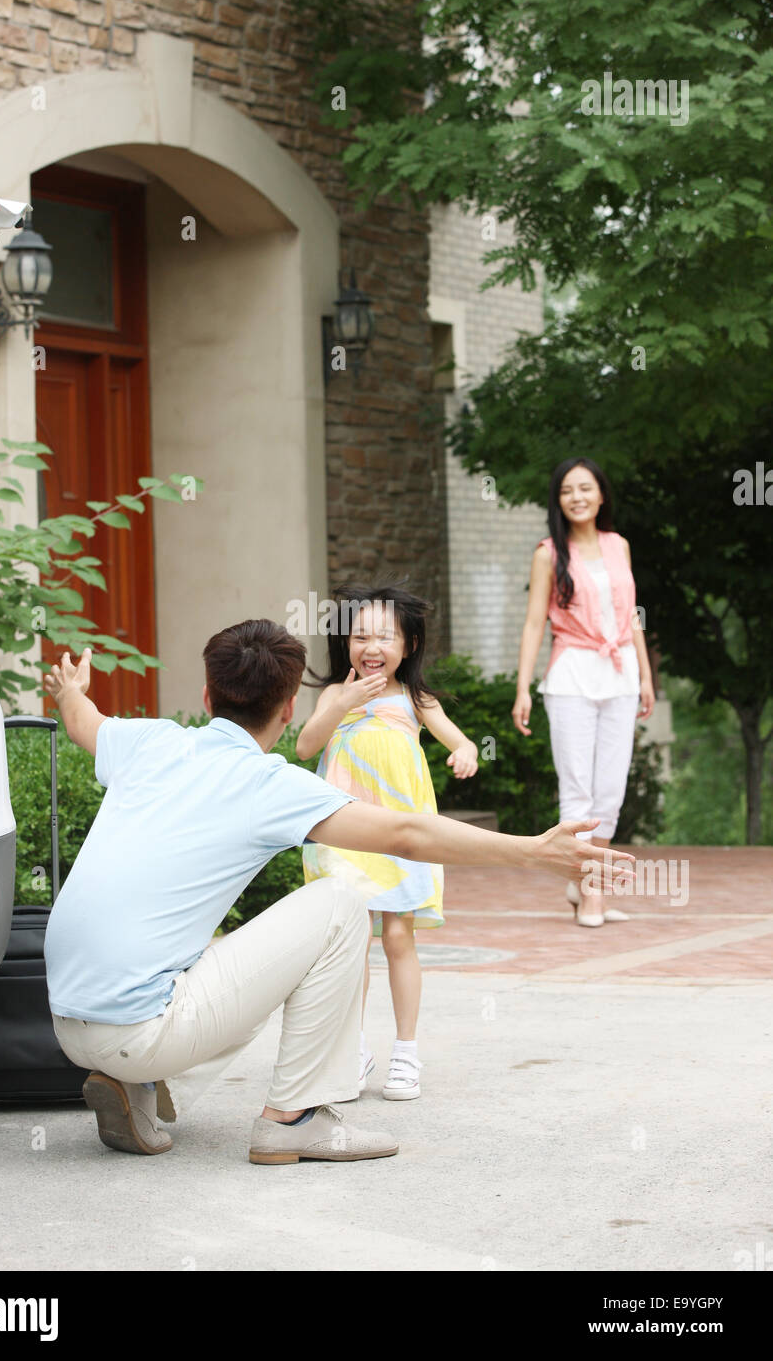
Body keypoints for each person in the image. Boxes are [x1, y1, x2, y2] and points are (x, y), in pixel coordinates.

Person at [44, 618, 633, 1165]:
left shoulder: (151, 742)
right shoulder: (268, 784)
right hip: (141, 1030)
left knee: (223, 957)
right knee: (344, 899)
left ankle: (135, 1085)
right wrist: (533, 851)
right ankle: (293, 1118)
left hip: (66, 1022)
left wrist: (71, 686)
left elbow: (81, 720)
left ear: (207, 696)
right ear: (286, 710)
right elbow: (404, 831)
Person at [297, 584, 478, 1102]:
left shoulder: (415, 698)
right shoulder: (335, 694)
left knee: (399, 938)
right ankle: (352, 1050)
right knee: (352, 945)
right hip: (344, 832)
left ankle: (405, 1052)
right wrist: (344, 702)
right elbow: (306, 745)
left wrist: (466, 753)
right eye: (359, 637)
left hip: (401, 834)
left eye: (384, 637)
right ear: (344, 643)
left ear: (410, 644)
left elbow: (458, 738)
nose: (371, 647)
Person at [511, 458, 654, 927]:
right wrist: (523, 687)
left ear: (601, 495)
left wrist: (647, 676)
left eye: (585, 488)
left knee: (610, 789)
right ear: (558, 500)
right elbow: (535, 622)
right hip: (571, 674)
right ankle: (591, 893)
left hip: (621, 675)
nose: (577, 497)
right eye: (567, 490)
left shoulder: (619, 546)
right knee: (578, 788)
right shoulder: (548, 553)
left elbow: (630, 615)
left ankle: (584, 882)